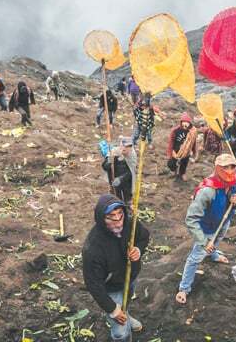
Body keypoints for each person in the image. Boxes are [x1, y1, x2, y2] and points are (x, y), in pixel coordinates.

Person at [175, 154, 236, 304]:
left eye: (232, 167)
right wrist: (204, 241)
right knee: (196, 258)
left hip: (223, 221)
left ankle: (213, 255)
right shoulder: (207, 190)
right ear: (217, 168)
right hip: (206, 228)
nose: (230, 171)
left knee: (217, 241)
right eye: (225, 167)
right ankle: (184, 288)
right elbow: (191, 219)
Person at [82, 194, 150, 342]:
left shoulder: (129, 224)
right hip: (110, 287)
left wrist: (138, 249)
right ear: (101, 218)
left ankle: (126, 313)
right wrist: (112, 309)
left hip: (130, 276)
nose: (118, 221)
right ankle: (121, 330)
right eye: (111, 217)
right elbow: (93, 284)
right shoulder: (93, 248)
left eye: (120, 214)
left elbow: (144, 236)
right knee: (120, 332)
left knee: (126, 302)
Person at [102, 137, 137, 203]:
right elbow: (104, 167)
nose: (125, 148)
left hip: (126, 181)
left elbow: (131, 172)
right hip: (113, 178)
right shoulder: (113, 152)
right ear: (120, 145)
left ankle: (127, 205)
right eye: (124, 146)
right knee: (115, 194)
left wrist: (121, 179)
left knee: (127, 195)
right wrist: (108, 163)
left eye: (128, 147)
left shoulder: (132, 155)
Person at [166, 113, 198, 182]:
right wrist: (171, 153)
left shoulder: (192, 131)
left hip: (186, 152)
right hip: (176, 151)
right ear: (181, 122)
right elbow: (171, 143)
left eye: (187, 123)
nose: (185, 124)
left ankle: (182, 173)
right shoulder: (175, 131)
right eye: (183, 122)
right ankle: (174, 170)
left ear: (190, 123)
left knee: (184, 163)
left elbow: (193, 142)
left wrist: (194, 151)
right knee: (172, 163)